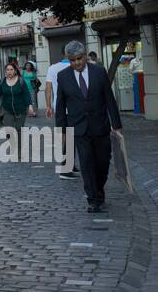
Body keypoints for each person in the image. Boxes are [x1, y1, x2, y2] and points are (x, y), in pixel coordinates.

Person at [53, 39, 123, 213]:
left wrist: (116, 124)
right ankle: (92, 198)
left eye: (79, 58)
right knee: (86, 163)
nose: (77, 63)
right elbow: (60, 105)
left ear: (85, 56)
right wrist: (61, 130)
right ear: (69, 60)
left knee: (102, 163)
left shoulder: (99, 72)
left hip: (100, 126)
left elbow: (109, 99)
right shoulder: (63, 76)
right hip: (78, 128)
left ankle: (99, 188)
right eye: (73, 60)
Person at [44, 52, 77, 179]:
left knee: (67, 136)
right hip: (73, 107)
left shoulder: (52, 68)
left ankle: (70, 165)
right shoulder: (76, 66)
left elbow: (48, 88)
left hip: (59, 107)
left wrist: (48, 106)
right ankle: (65, 168)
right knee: (70, 137)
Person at [0, 59, 35, 157]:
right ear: (5, 71)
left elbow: (26, 94)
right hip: (7, 109)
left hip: (21, 109)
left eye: (11, 69)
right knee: (9, 130)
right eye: (7, 70)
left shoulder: (21, 81)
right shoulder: (2, 81)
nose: (9, 72)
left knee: (18, 129)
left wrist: (30, 107)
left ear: (15, 71)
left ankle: (19, 150)